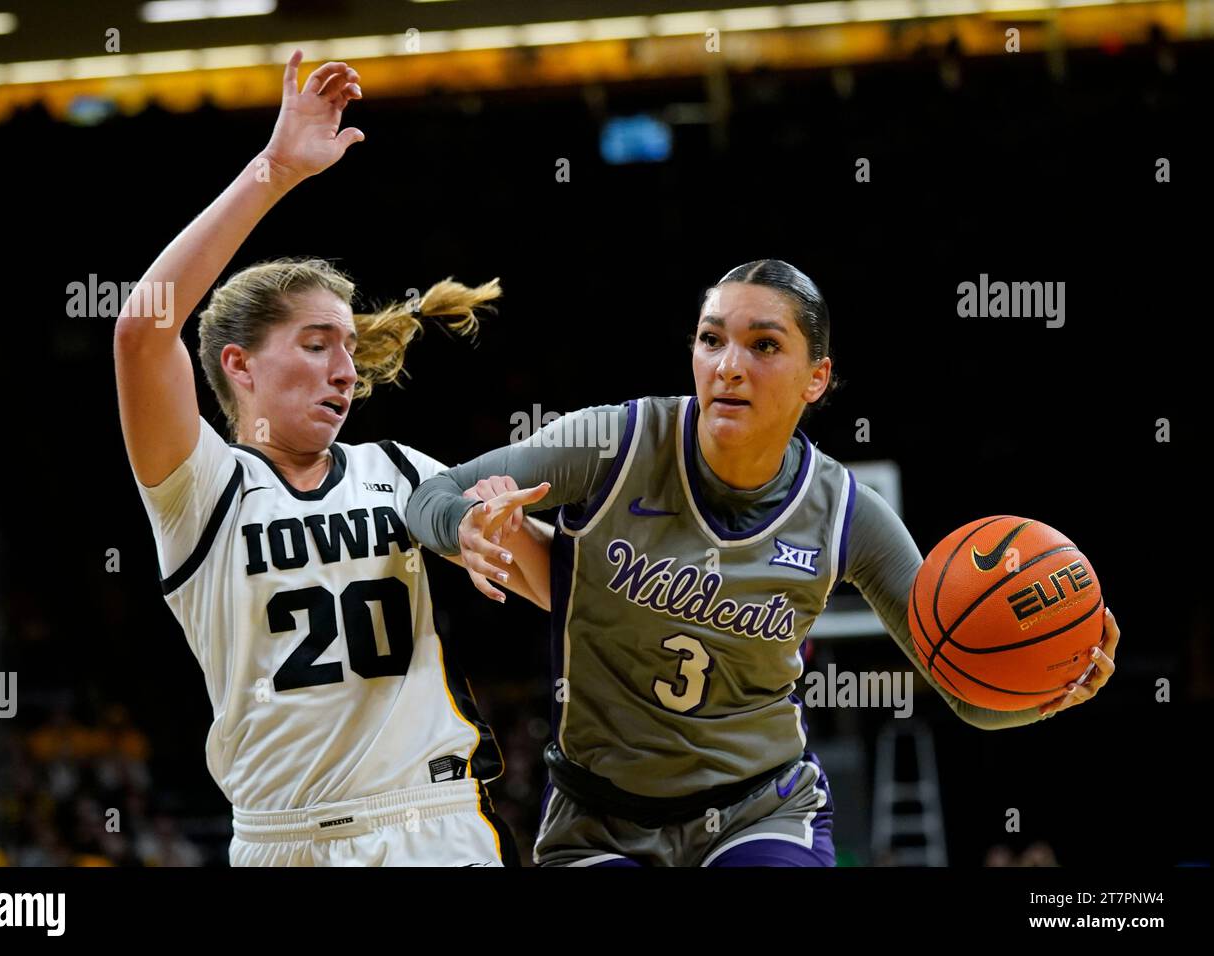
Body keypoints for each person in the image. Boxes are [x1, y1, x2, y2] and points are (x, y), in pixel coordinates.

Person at [406, 258, 1120, 867]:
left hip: (759, 810)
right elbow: (429, 493)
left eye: (764, 345)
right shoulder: (613, 444)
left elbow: (965, 693)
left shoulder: (847, 512)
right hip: (599, 815)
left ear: (816, 377)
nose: (729, 366)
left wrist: (1052, 694)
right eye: (712, 340)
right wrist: (464, 525)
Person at [114, 51, 550, 866]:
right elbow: (142, 328)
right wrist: (274, 171)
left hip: (432, 824)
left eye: (349, 347)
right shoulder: (201, 490)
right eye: (316, 346)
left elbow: (555, 589)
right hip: (282, 841)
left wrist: (508, 534)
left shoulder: (404, 469)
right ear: (239, 366)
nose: (346, 369)